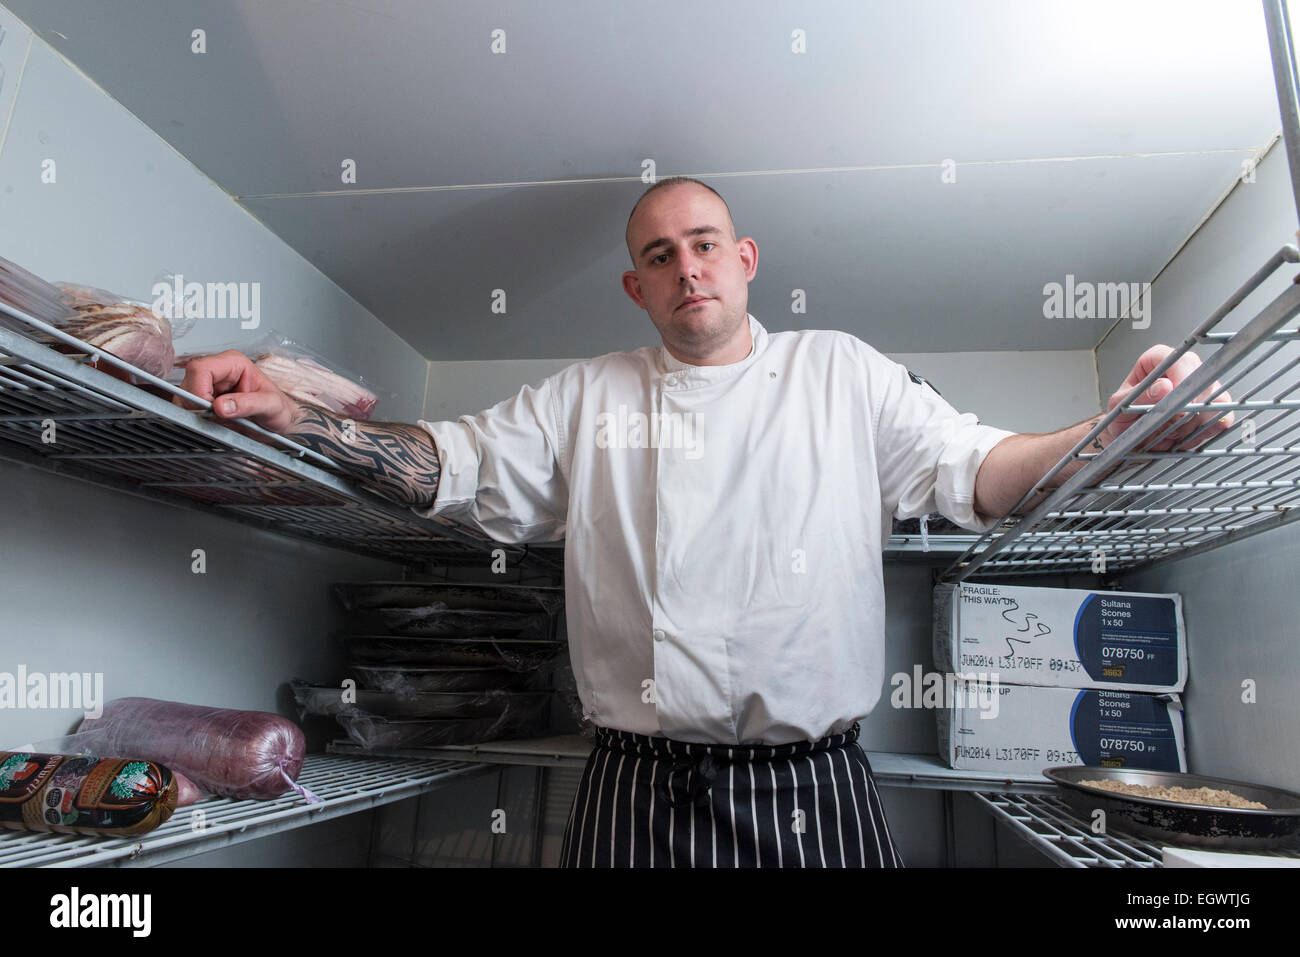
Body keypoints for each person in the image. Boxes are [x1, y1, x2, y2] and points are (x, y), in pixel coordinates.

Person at [177, 176, 1233, 868]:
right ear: (634, 288)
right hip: (636, 784)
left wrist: (1108, 433)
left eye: (704, 243)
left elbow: (983, 469)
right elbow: (448, 463)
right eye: (659, 256)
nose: (686, 267)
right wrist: (300, 414)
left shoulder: (839, 374)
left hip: (812, 781)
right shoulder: (585, 396)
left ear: (745, 259)